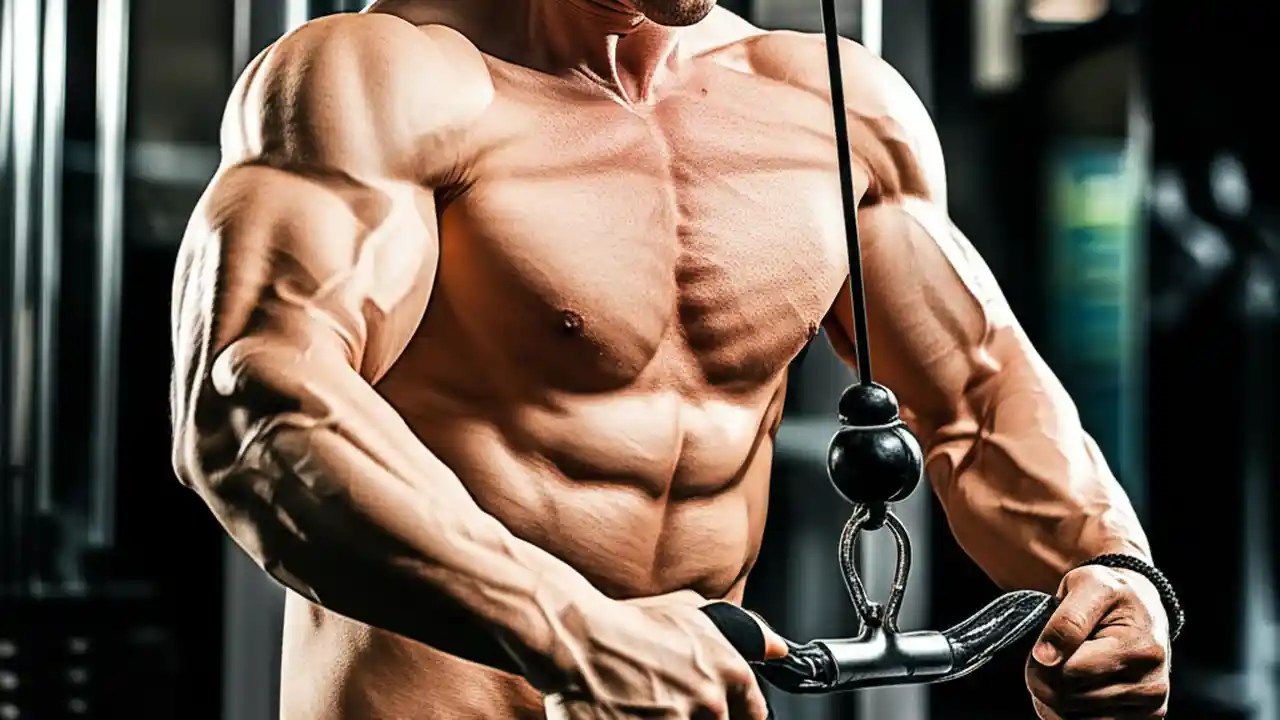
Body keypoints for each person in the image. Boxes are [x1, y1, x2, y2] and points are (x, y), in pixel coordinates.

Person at [168, 0, 1171, 717]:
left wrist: (1110, 570)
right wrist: (568, 628)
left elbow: (980, 396)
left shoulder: (829, 104)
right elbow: (253, 410)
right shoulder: (385, 81)